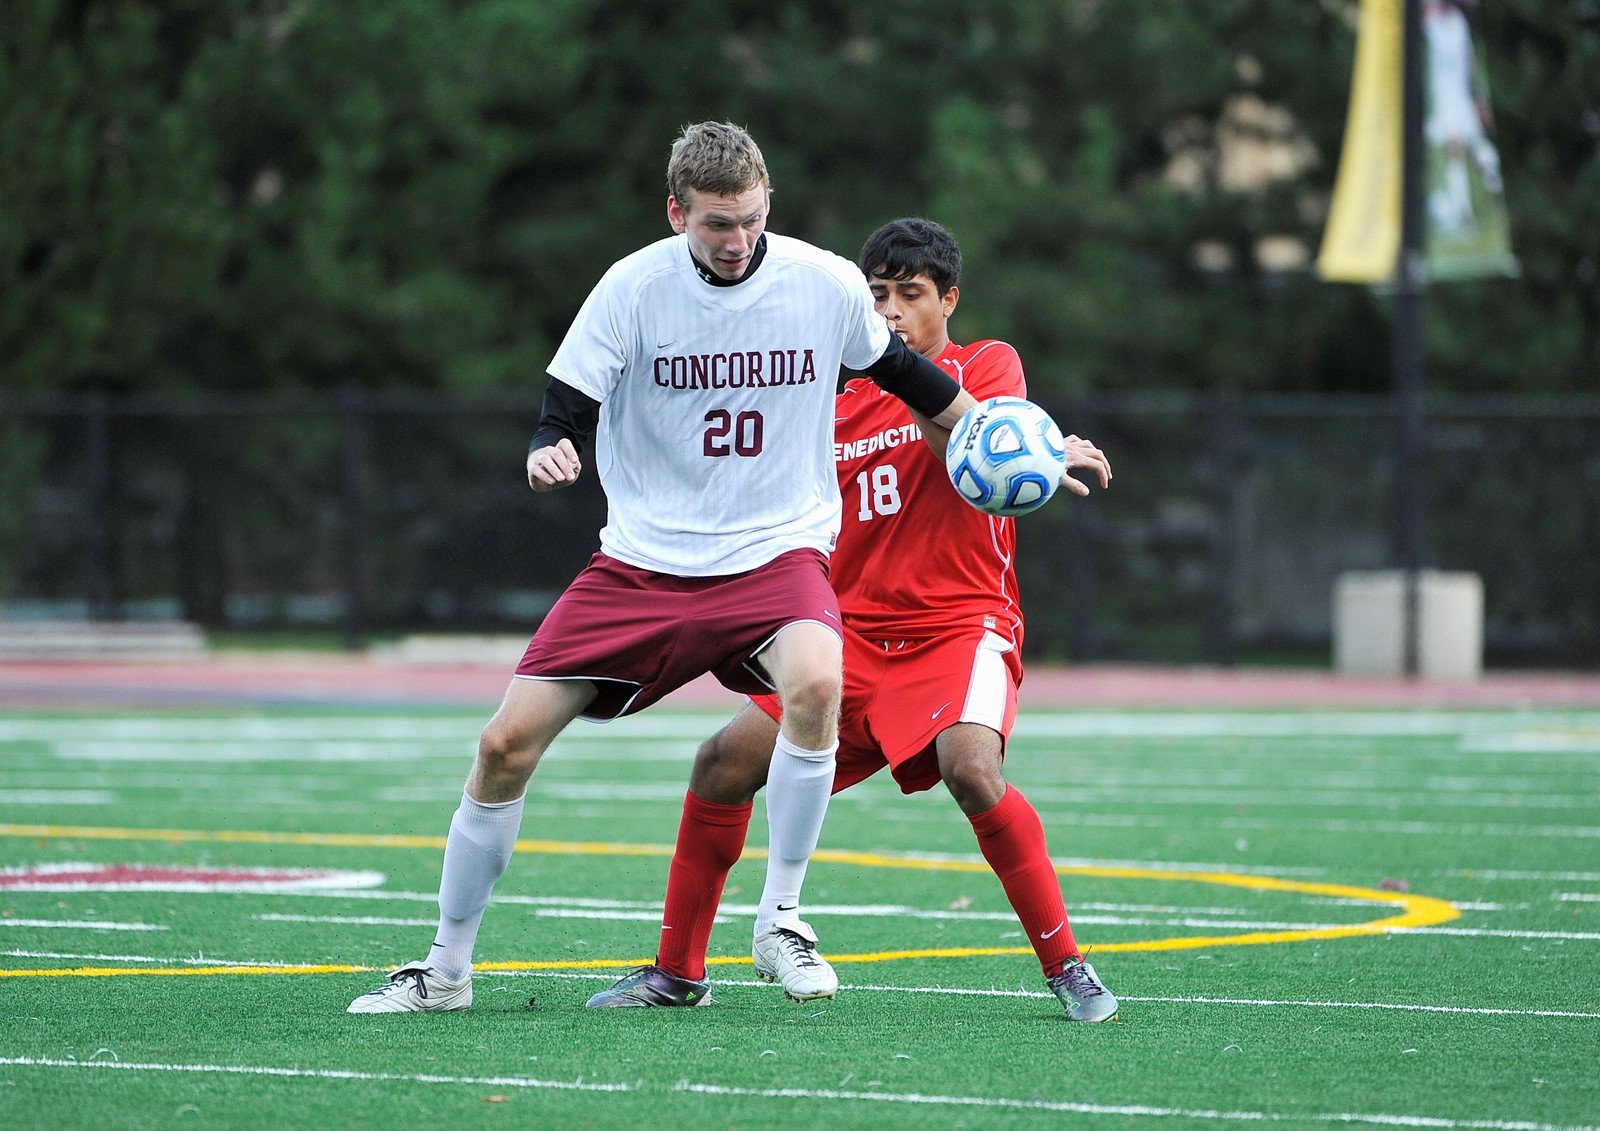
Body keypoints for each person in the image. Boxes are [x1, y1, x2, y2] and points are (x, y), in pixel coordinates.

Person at [348, 125, 983, 1014]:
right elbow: (562, 408)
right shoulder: (632, 287)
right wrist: (548, 449)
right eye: (719, 223)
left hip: (775, 550)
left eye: (753, 219)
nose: (738, 240)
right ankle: (445, 969)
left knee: (815, 685)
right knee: (502, 745)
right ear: (677, 210)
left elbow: (923, 383)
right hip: (645, 562)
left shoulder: (825, 281)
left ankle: (783, 921)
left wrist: (1026, 441)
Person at [585, 218, 1120, 1021]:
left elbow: (977, 450)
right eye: (877, 297)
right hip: (851, 636)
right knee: (720, 764)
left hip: (959, 626)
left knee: (971, 768)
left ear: (949, 299)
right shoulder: (829, 400)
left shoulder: (984, 364)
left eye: (911, 295)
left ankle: (1067, 964)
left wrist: (1033, 451)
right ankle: (676, 970)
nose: (894, 311)